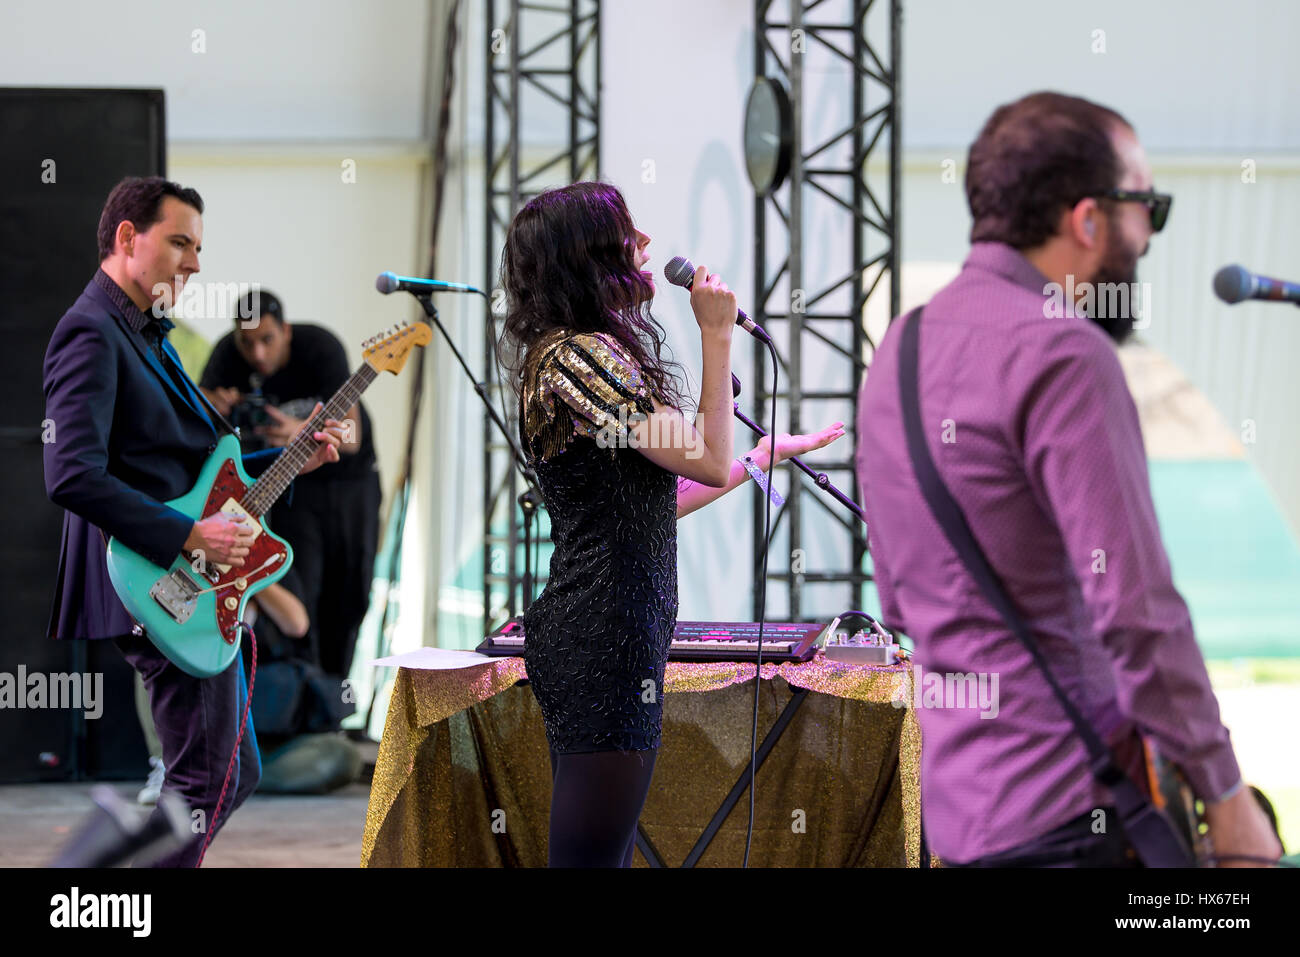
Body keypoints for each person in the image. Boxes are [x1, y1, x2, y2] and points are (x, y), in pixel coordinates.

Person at [855, 92, 1283, 867]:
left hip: (958, 817)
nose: (1147, 235)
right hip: (1073, 816)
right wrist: (1226, 797)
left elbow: (898, 598)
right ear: (1088, 219)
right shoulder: (1064, 352)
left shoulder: (899, 351)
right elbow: (1138, 611)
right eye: (1145, 206)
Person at [498, 181, 845, 867]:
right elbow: (706, 459)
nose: (648, 245)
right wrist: (717, 334)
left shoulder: (585, 353)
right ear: (588, 255)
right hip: (603, 635)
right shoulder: (579, 358)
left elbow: (653, 499)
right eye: (629, 232)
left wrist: (758, 457)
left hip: (612, 629)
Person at [43, 176, 346, 866]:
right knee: (205, 779)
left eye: (199, 246)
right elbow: (70, 474)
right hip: (155, 577)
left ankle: (97, 874)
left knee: (230, 774)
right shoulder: (90, 332)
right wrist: (187, 536)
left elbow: (189, 466)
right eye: (181, 241)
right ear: (128, 238)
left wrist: (292, 457)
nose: (196, 263)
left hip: (185, 574)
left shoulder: (145, 333)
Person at [199, 291, 381, 722]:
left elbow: (351, 435)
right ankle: (306, 707)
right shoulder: (229, 353)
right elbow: (196, 415)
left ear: (285, 330)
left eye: (267, 340)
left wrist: (302, 431)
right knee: (304, 593)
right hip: (292, 489)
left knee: (352, 594)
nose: (257, 354)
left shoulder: (320, 347)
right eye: (248, 344)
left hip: (348, 485)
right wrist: (215, 404)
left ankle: (334, 709)